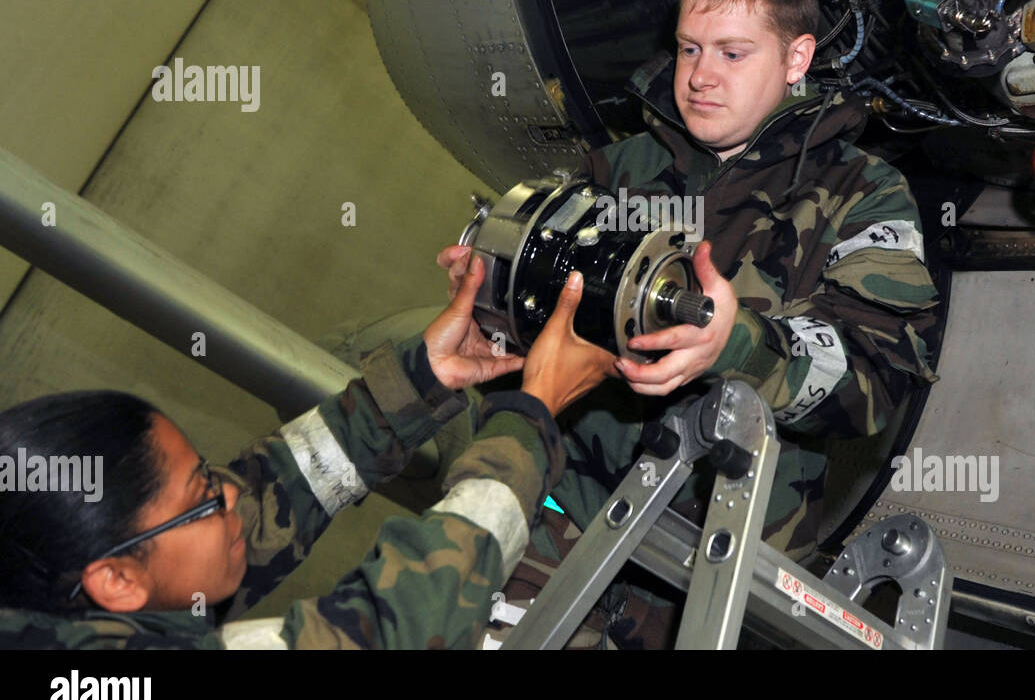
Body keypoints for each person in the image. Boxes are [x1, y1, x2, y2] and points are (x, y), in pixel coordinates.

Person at [441, 0, 942, 645]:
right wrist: (490, 297)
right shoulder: (619, 171)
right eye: (688, 50)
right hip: (566, 521)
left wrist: (737, 345)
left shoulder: (861, 195)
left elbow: (878, 375)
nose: (701, 76)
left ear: (796, 59)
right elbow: (543, 315)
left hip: (715, 575)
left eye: (733, 53)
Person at [0, 259, 616, 649]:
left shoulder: (59, 594)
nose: (231, 494)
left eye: (210, 476)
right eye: (204, 498)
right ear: (115, 580)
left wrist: (420, 377)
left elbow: (273, 493)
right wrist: (531, 414)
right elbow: (394, 627)